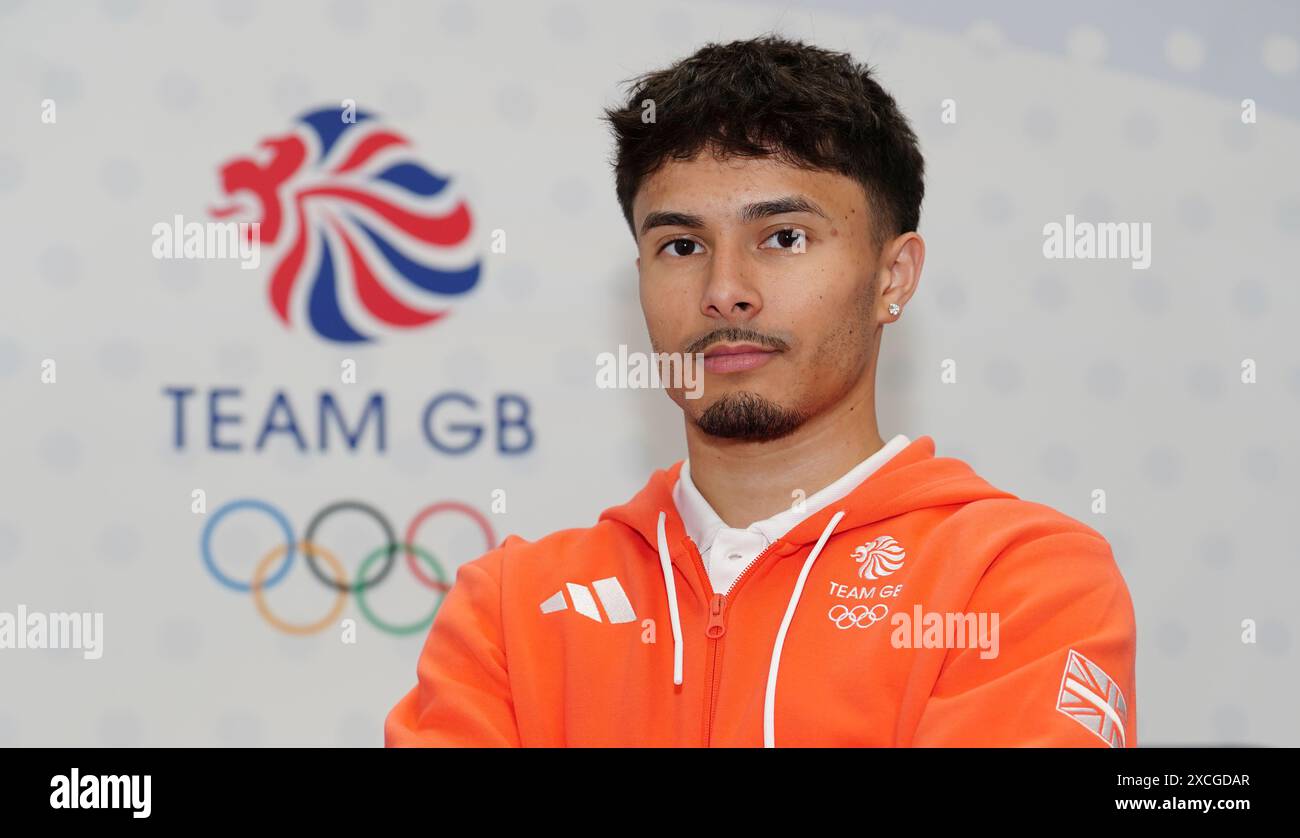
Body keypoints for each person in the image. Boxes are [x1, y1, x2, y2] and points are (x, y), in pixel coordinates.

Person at [385, 34, 1136, 747]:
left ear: (892, 277)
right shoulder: (512, 611)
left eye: (783, 238)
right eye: (681, 246)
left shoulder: (1015, 579)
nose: (725, 291)